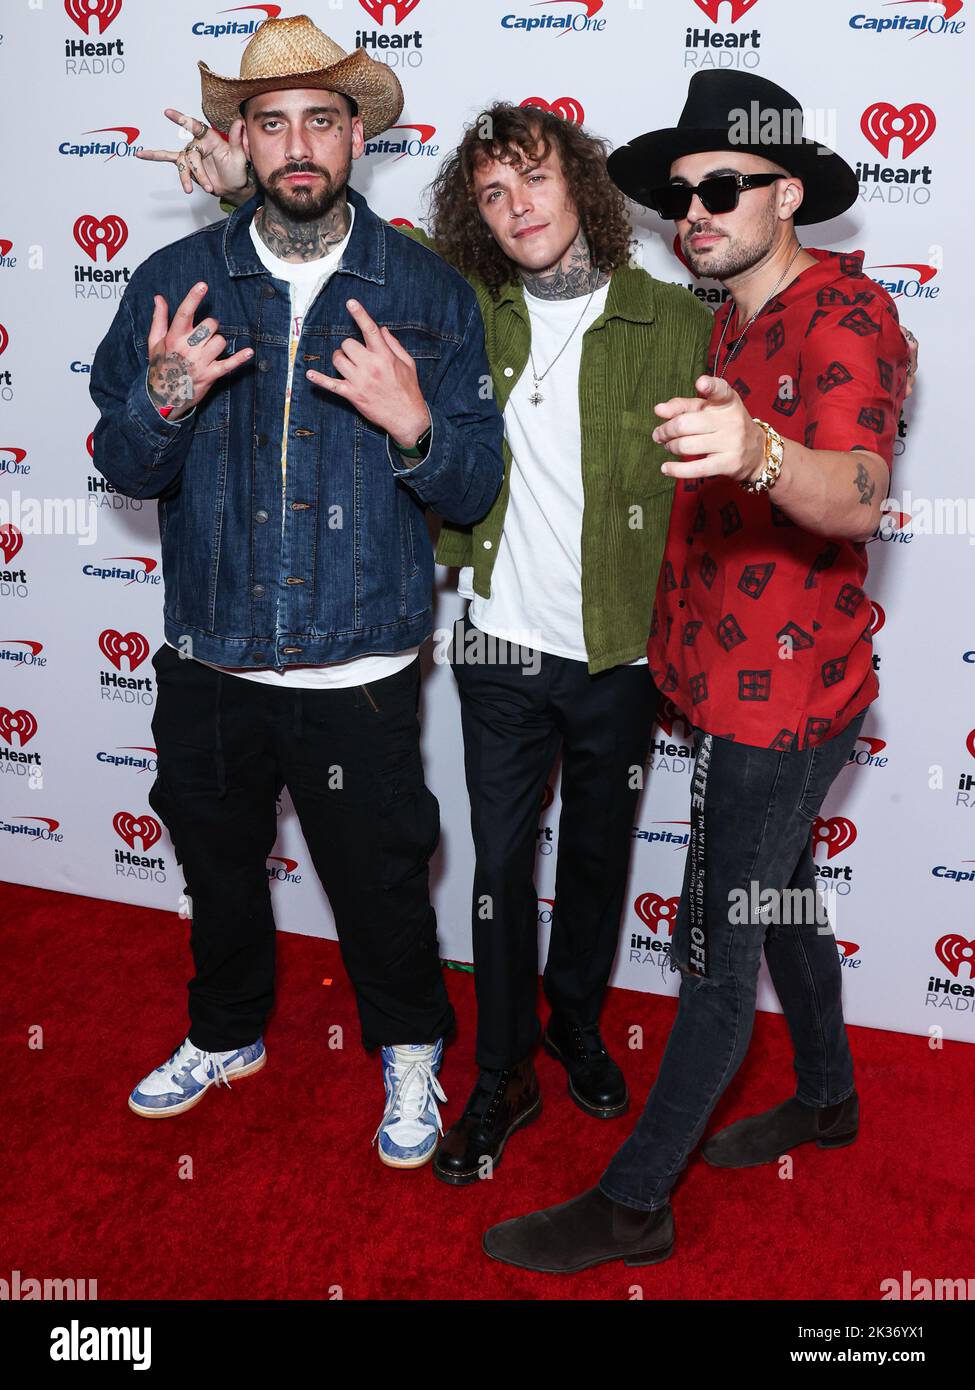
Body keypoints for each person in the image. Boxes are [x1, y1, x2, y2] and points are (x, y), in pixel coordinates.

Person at [148, 96, 715, 1185]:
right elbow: (334, 244)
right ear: (476, 217)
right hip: (500, 642)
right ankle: (502, 1072)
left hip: (621, 651)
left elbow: (757, 362)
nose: (518, 207)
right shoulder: (465, 309)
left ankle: (578, 1026)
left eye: (536, 180)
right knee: (499, 868)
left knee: (597, 859)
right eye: (494, 194)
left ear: (582, 187)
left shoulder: (673, 319)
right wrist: (234, 184)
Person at [482, 70, 911, 1271]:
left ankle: (635, 1203)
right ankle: (827, 1094)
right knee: (781, 900)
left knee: (716, 954)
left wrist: (765, 449)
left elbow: (861, 493)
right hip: (725, 684)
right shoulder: (728, 311)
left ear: (788, 193)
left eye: (724, 188)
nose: (696, 212)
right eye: (682, 194)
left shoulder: (846, 316)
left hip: (788, 703)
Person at [89, 16, 503, 1172]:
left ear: (356, 134)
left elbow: (473, 482)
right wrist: (161, 400)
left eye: (322, 119)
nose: (299, 143)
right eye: (272, 123)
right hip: (212, 658)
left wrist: (415, 423)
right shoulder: (176, 281)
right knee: (214, 866)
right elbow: (121, 466)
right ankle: (226, 1034)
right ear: (241, 140)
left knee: (380, 882)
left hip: (358, 670)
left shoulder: (425, 291)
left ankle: (411, 1046)